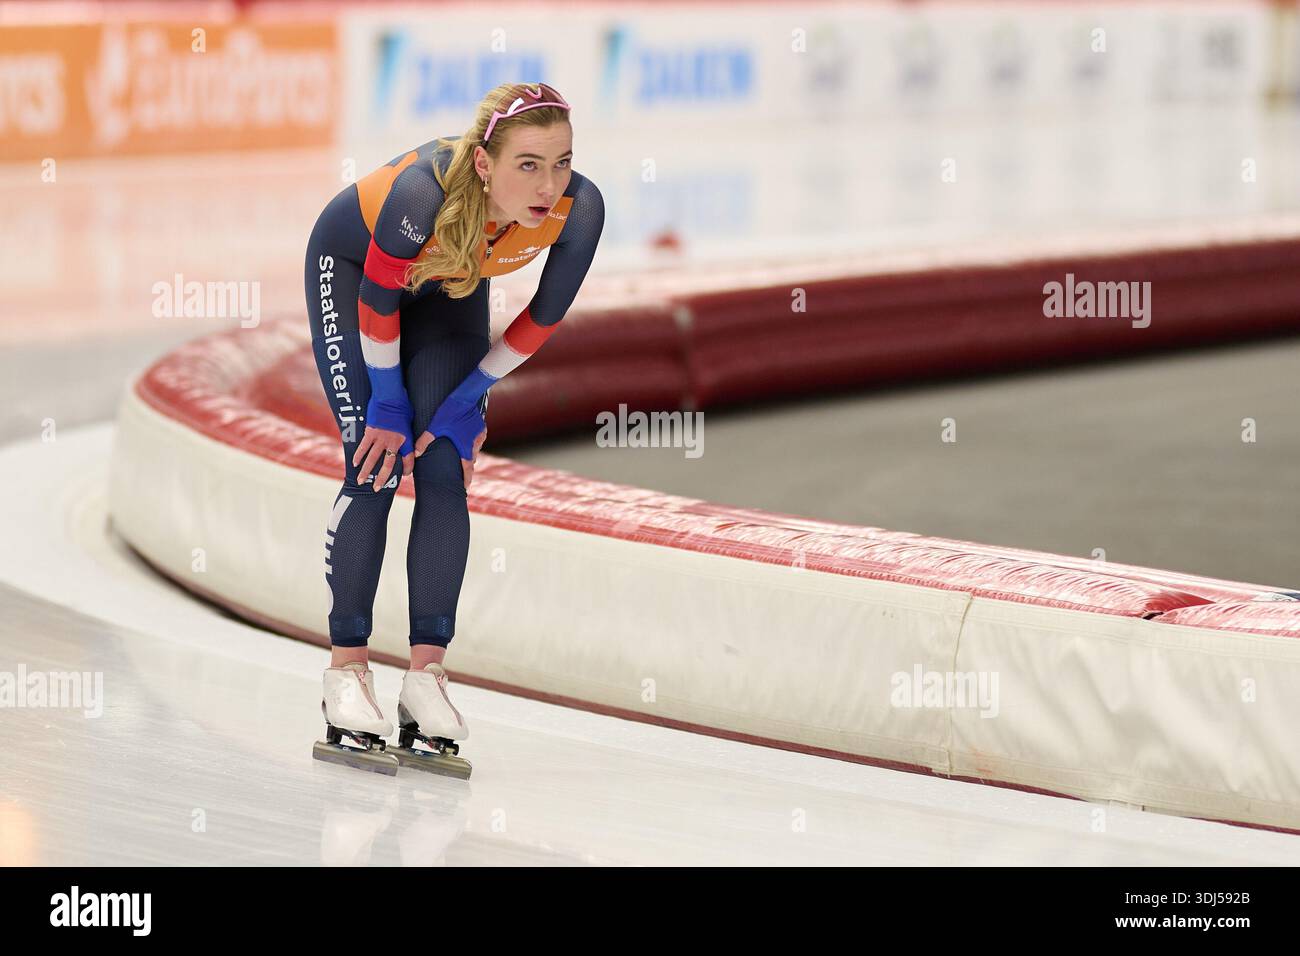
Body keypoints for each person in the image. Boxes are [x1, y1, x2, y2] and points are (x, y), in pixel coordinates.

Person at [304, 82, 605, 772]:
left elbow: (540, 321)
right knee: (375, 460)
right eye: (528, 164)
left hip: (452, 290)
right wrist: (386, 404)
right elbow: (379, 305)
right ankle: (345, 673)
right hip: (355, 274)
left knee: (444, 464)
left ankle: (425, 678)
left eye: (562, 163)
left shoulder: (579, 210)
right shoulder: (421, 195)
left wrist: (470, 396)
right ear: (483, 165)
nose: (549, 184)